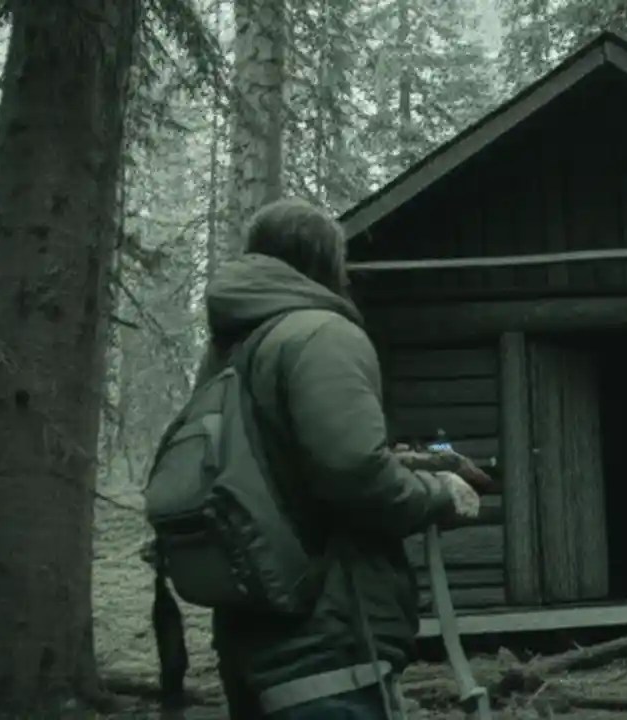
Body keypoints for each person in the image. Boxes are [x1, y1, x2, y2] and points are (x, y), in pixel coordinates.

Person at [193, 198, 488, 719]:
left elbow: (287, 467)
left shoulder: (230, 350)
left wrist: (406, 464)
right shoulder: (321, 333)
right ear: (326, 262)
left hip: (252, 643)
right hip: (328, 639)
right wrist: (439, 496)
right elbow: (352, 469)